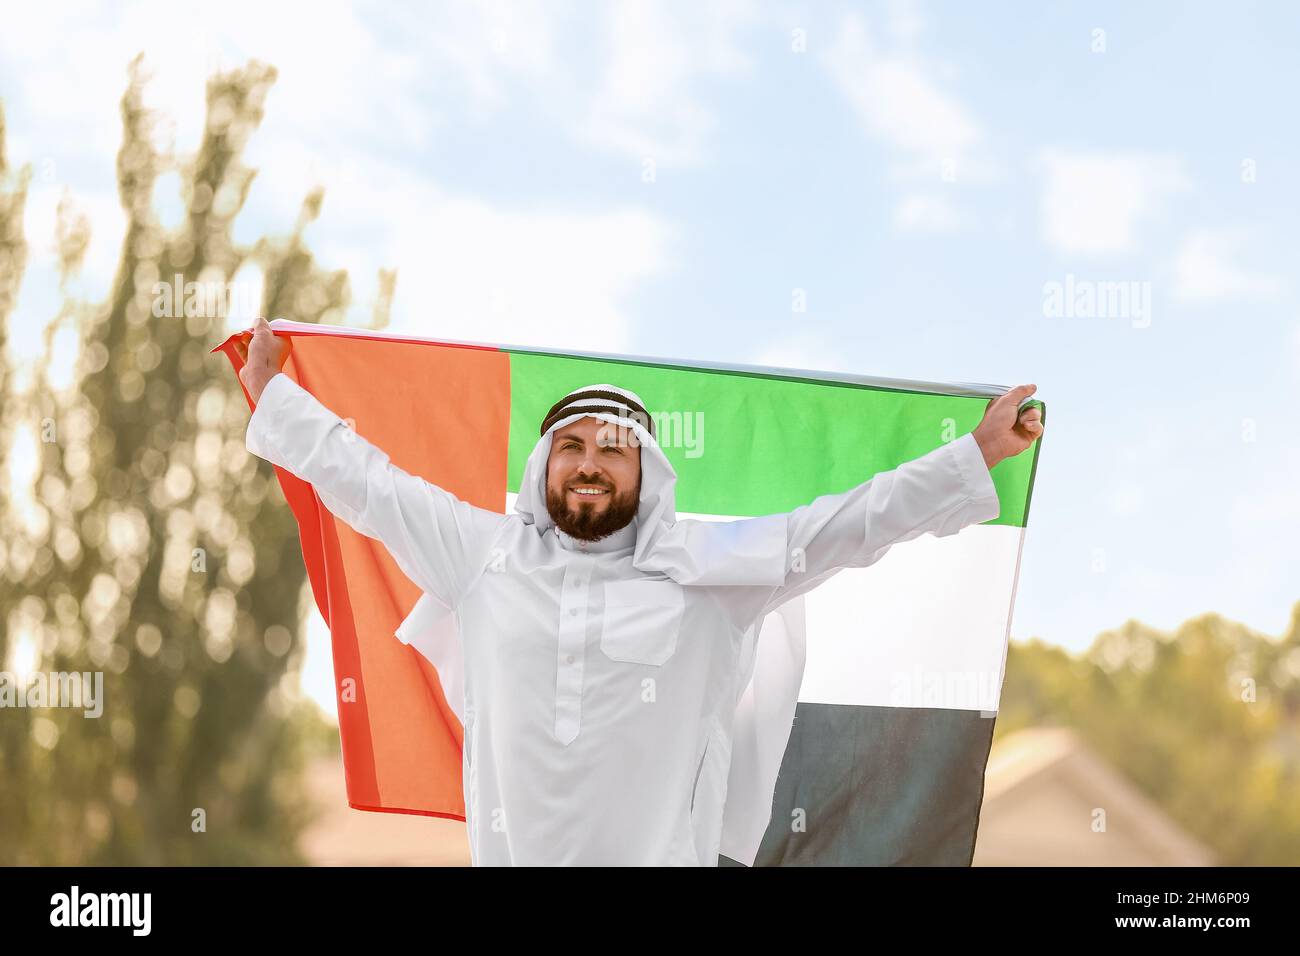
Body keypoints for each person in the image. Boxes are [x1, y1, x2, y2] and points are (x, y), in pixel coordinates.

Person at [236, 316, 1044, 865]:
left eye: (613, 451)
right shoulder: (482, 556)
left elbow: (851, 523)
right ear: (543, 467)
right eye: (572, 447)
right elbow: (368, 482)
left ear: (647, 476)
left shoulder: (713, 574)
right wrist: (274, 394)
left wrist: (974, 452)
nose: (590, 462)